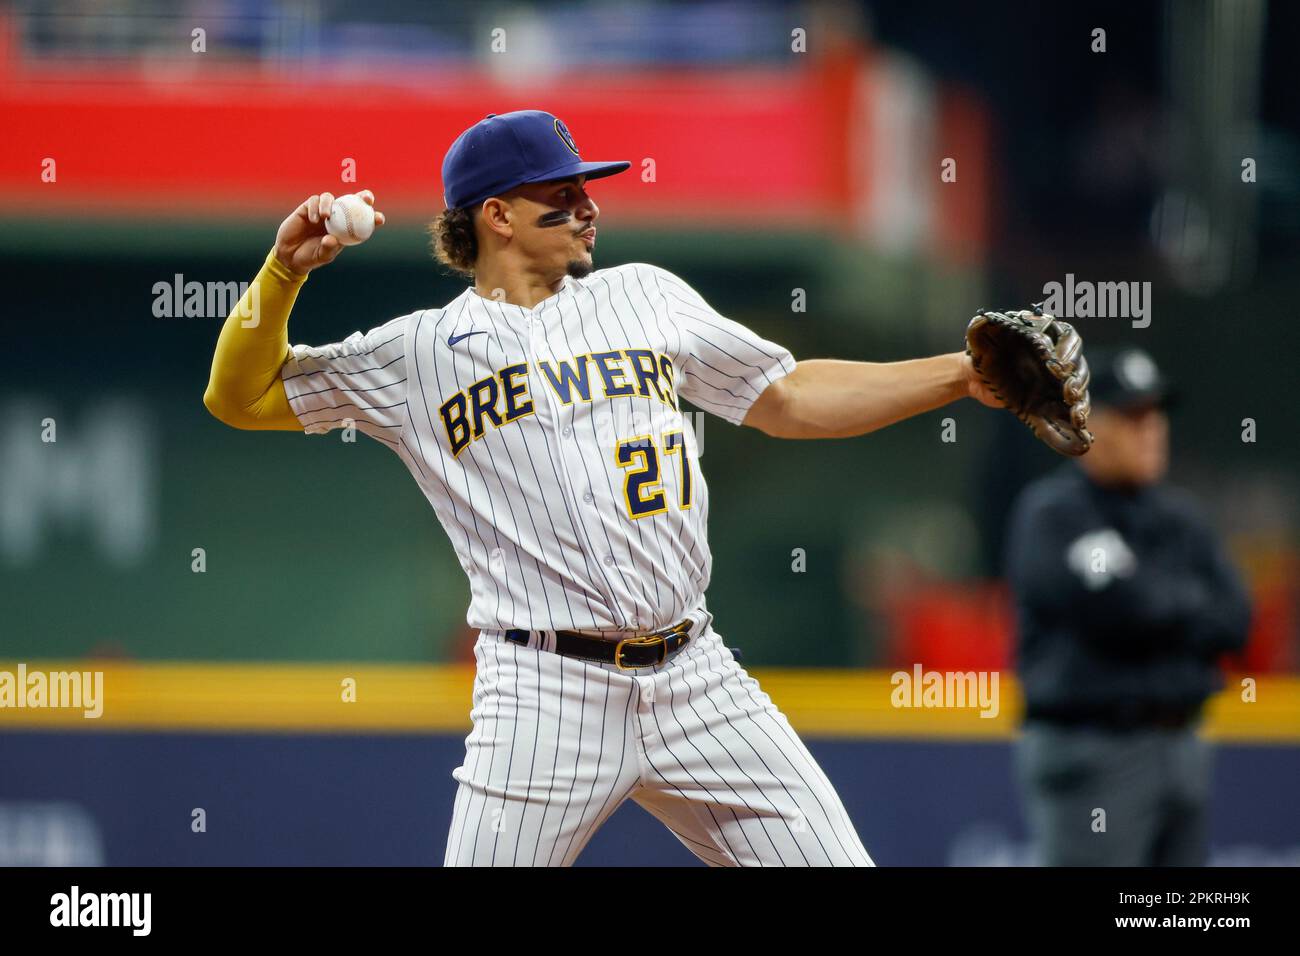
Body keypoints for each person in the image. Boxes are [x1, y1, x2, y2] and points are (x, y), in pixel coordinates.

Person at [204, 109, 1002, 867]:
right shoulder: (418, 352)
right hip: (545, 689)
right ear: (497, 216)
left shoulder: (645, 295)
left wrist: (961, 376)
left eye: (586, 189)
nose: (588, 207)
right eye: (562, 193)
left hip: (696, 675)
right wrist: (282, 273)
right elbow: (238, 398)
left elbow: (789, 397)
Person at [1006, 347, 1251, 866]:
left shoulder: (1181, 517)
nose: (1151, 429)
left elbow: (1233, 617)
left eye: (1156, 414)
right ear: (1087, 423)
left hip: (1181, 741)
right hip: (1095, 747)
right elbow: (1119, 611)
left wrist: (1153, 597)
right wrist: (1179, 603)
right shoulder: (1055, 513)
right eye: (1133, 415)